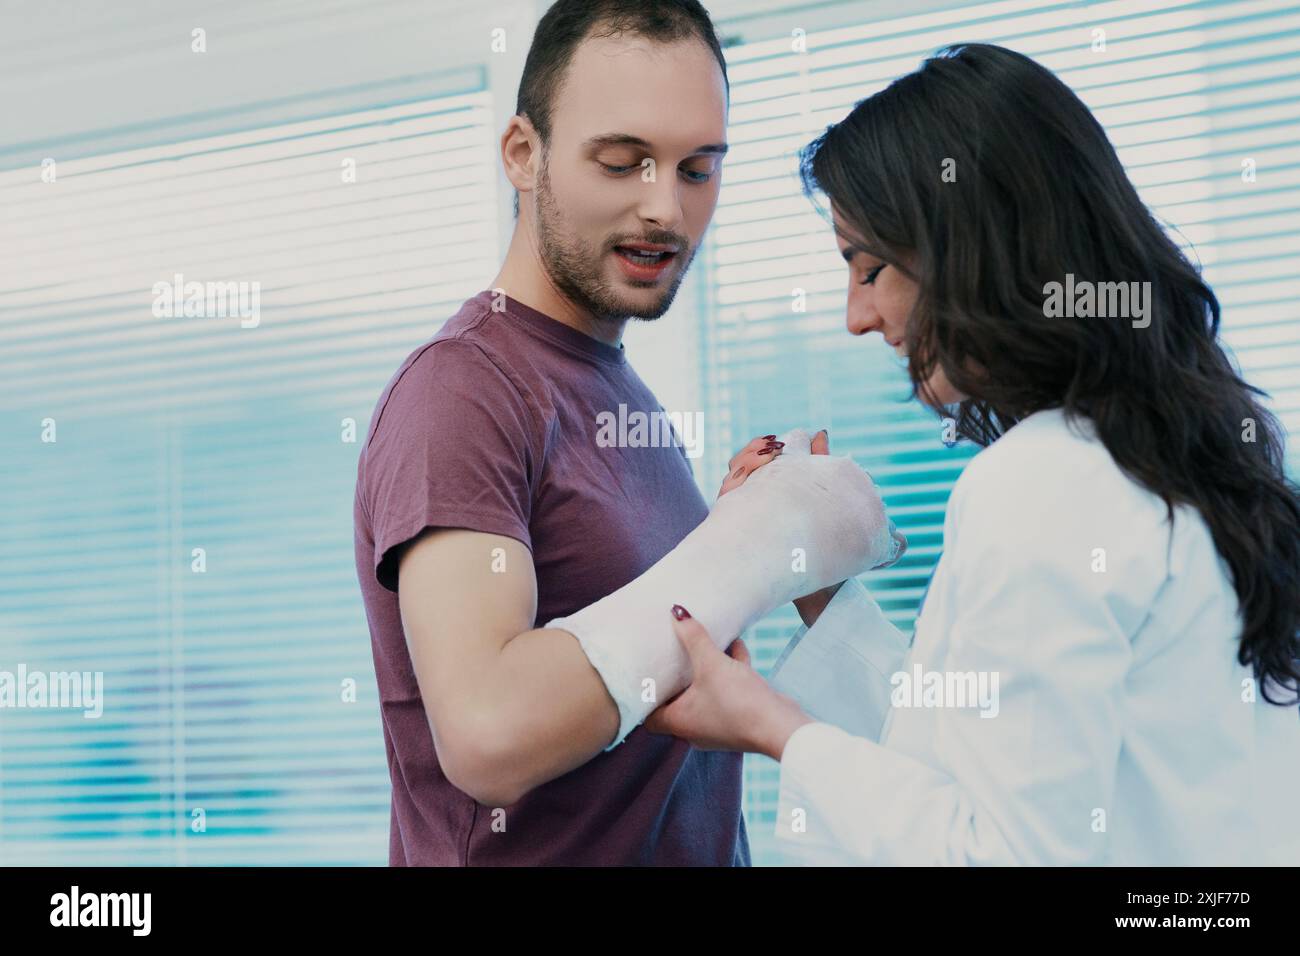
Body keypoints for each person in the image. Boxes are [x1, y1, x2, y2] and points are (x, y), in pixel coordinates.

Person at [642, 43, 1300, 865]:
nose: (857, 316)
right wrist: (821, 595)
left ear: (975, 249)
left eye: (870, 267)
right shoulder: (1187, 456)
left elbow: (997, 855)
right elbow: (973, 758)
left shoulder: (1041, 482)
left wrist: (770, 726)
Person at [352, 0, 860, 866]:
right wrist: (748, 548)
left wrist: (735, 542)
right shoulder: (464, 391)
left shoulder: (617, 394)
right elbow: (488, 737)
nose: (664, 207)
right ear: (523, 153)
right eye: (623, 163)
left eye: (698, 169)